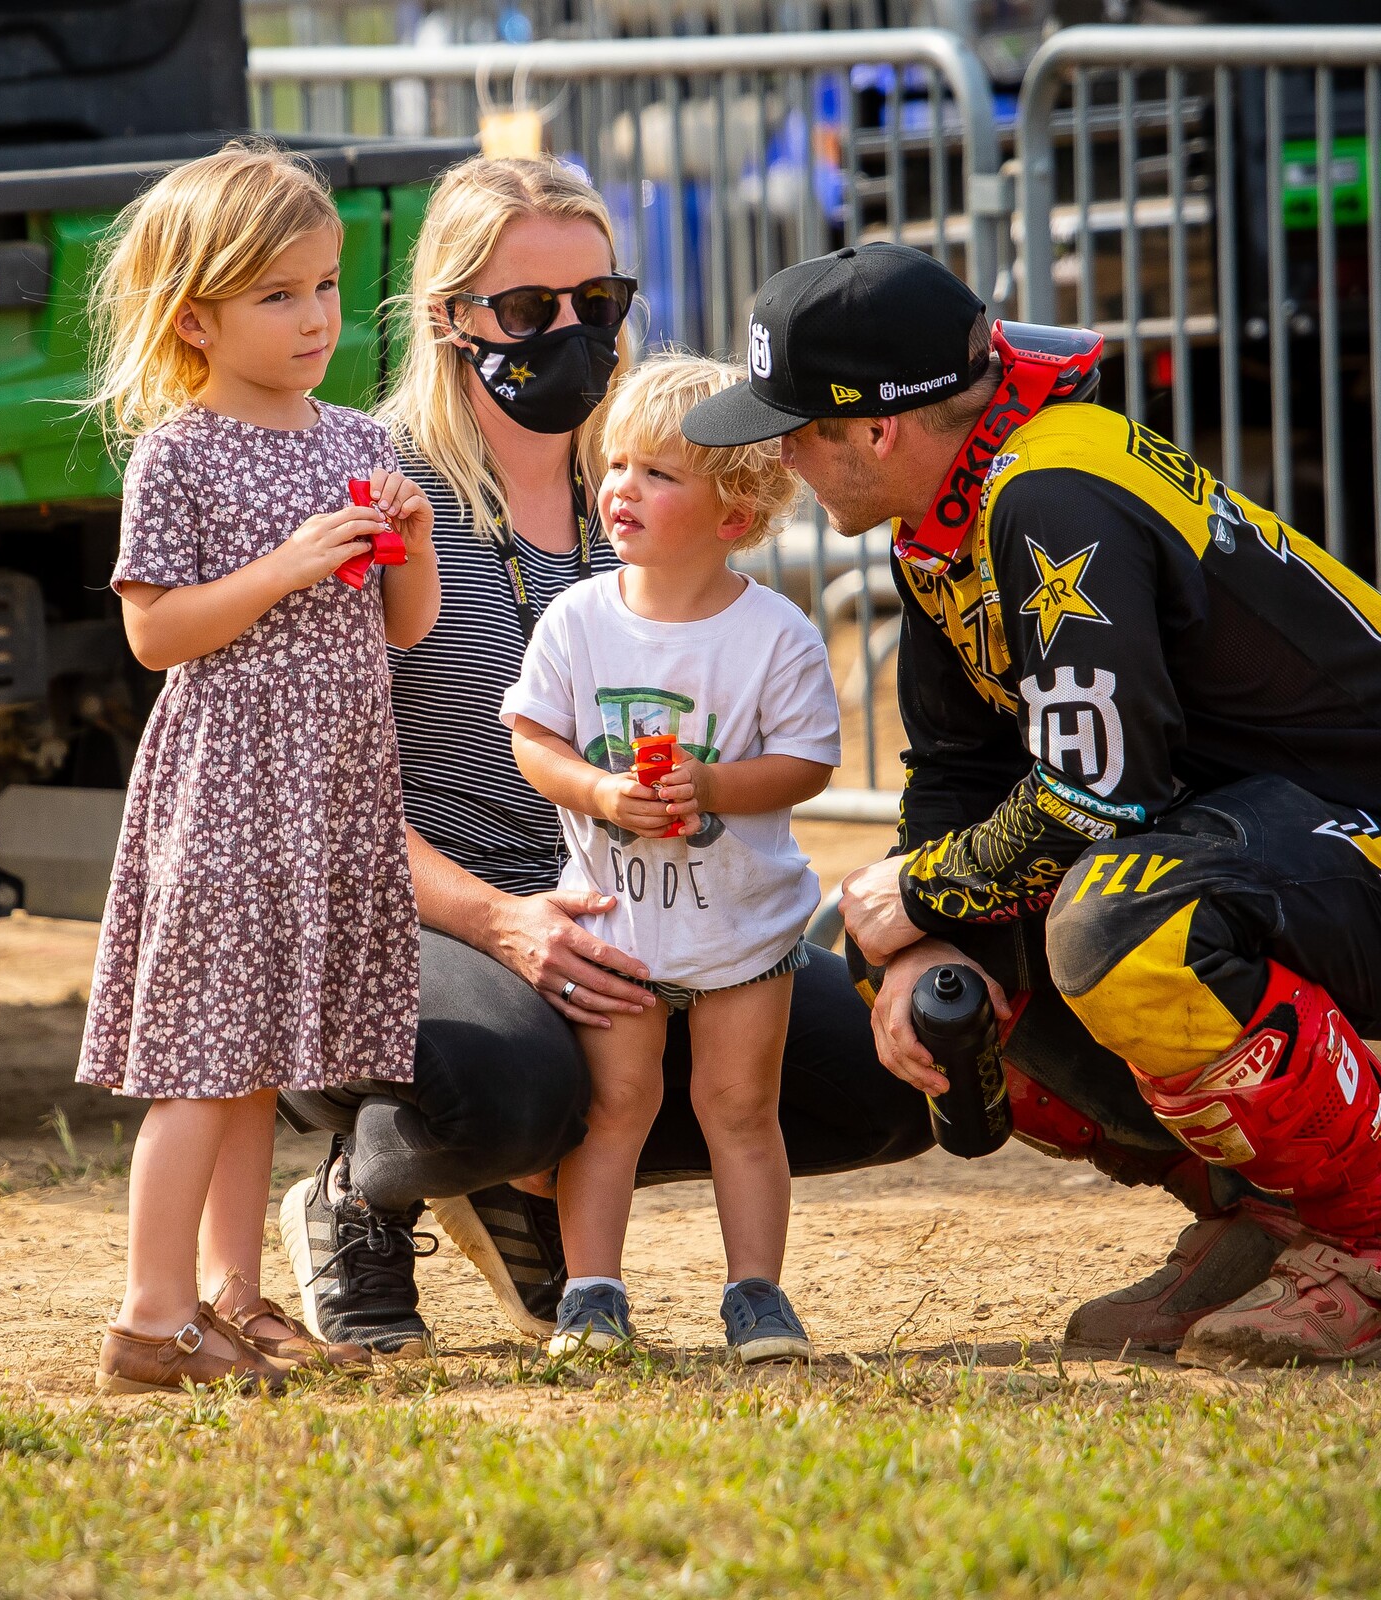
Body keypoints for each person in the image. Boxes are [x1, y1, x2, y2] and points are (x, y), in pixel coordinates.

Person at [683, 241, 1381, 1368]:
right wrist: (920, 938)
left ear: (880, 430)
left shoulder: (1052, 496)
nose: (779, 454)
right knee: (889, 938)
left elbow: (1095, 793)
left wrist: (922, 890)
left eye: (797, 427)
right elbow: (957, 774)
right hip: (1292, 838)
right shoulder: (949, 512)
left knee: (1122, 923)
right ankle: (1261, 1213)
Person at [276, 156, 936, 1359]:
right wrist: (503, 922)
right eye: (531, 308)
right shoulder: (377, 490)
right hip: (423, 910)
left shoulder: (654, 478)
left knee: (889, 1072)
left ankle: (534, 1184)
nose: (573, 335)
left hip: (636, 906)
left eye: (599, 302)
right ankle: (362, 1191)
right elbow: (319, 797)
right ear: (450, 318)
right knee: (509, 1086)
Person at [74, 143, 441, 1394]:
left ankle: (235, 1298)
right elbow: (156, 633)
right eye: (278, 295)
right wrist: (287, 564)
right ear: (195, 318)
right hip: (229, 790)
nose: (317, 317)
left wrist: (412, 542)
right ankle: (151, 1314)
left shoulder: (357, 438)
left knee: (260, 1059)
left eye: (327, 286)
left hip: (324, 790)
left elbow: (405, 628)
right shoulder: (178, 454)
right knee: (201, 1058)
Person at [504, 355, 837, 1362]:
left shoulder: (775, 633)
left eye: (657, 474)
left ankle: (756, 1295)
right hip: (619, 925)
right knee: (615, 1105)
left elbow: (807, 762)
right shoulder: (577, 618)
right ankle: (592, 1296)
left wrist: (715, 786)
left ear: (735, 515)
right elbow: (533, 738)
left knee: (741, 1108)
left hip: (743, 927)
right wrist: (600, 792)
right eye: (615, 465)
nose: (621, 489)